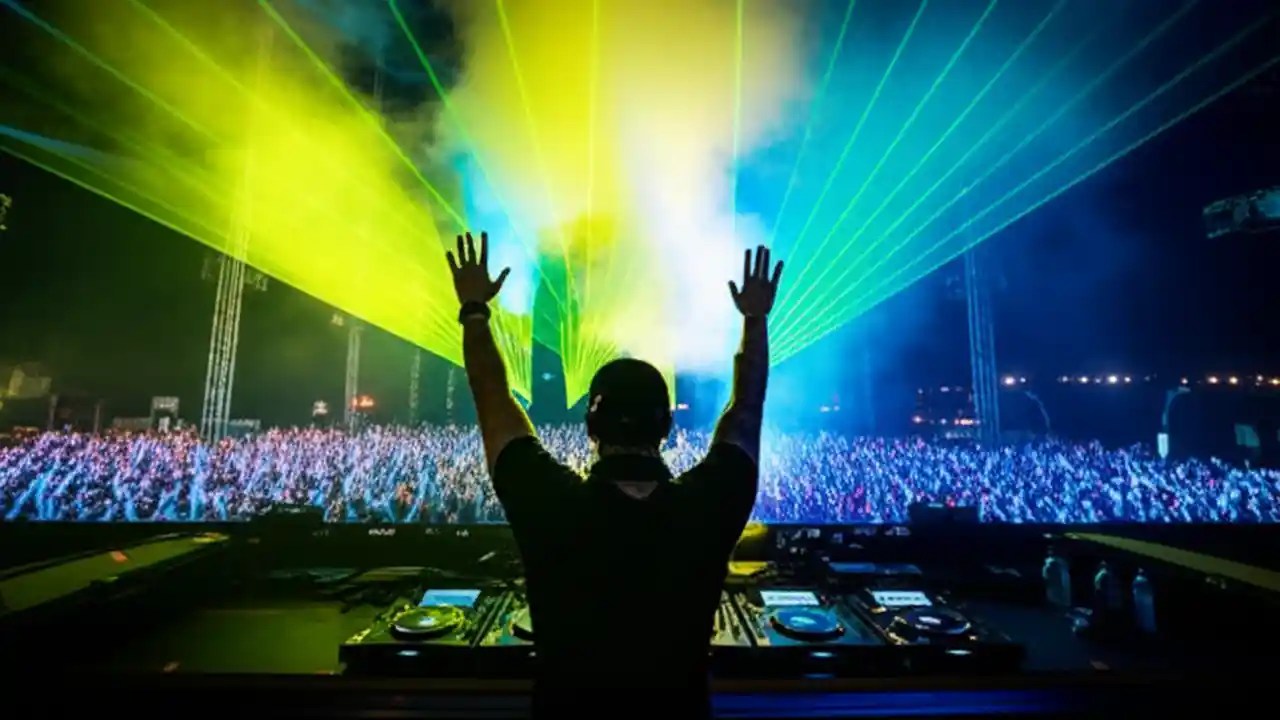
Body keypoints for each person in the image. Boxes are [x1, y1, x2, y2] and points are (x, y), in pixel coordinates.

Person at [447, 232, 783, 716]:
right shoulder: (710, 503)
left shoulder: (549, 501)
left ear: (590, 427)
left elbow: (491, 396)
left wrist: (475, 309)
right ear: (667, 427)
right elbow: (746, 410)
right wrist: (755, 318)